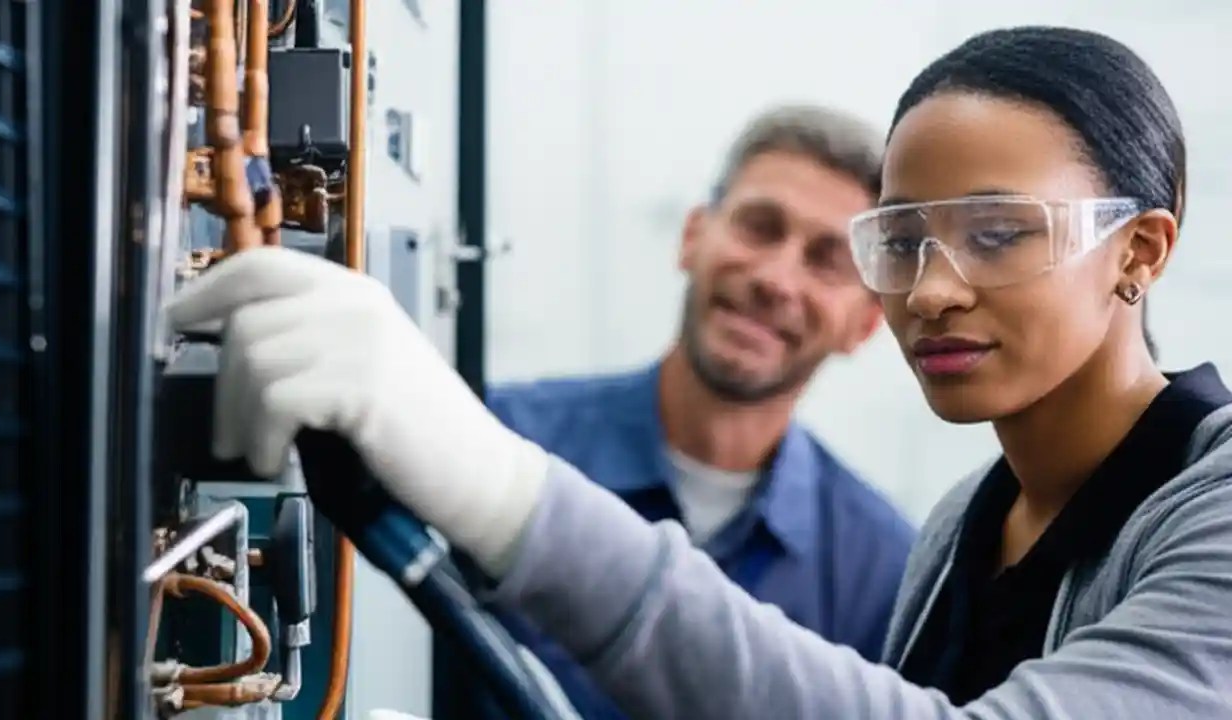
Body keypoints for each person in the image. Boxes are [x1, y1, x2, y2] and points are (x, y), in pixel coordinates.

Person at [166, 25, 1232, 719]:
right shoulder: (965, 523)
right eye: (902, 242)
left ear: (1137, 251)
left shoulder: (1211, 506)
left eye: (998, 234)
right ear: (693, 236)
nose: (931, 291)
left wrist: (500, 489)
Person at [475, 105, 915, 719]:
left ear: (865, 324)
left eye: (826, 260)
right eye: (759, 227)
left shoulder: (884, 576)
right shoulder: (496, 441)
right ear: (692, 237)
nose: (776, 278)